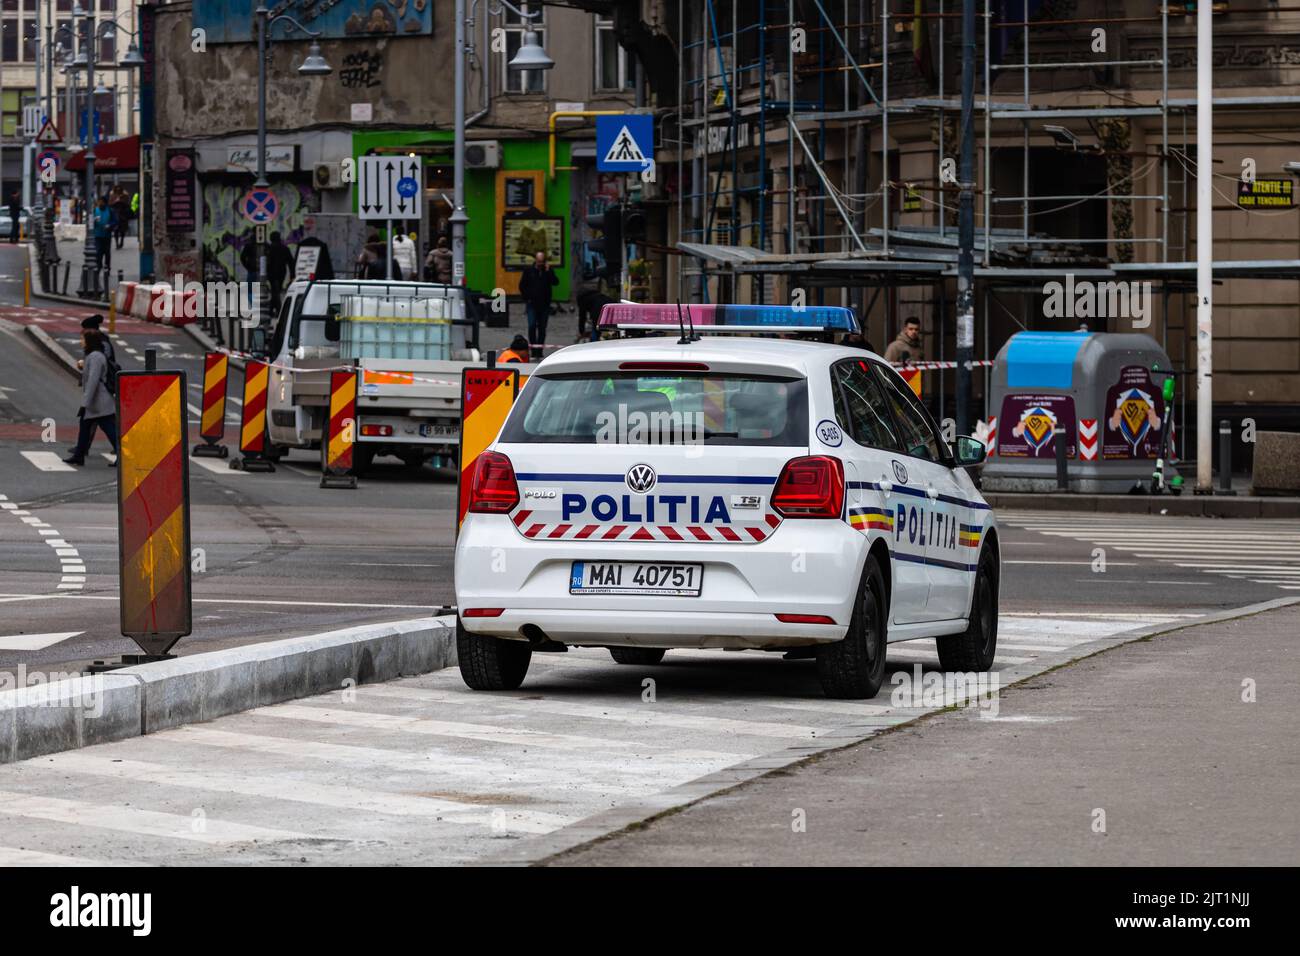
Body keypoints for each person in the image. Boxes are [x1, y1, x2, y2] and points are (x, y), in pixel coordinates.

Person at [64, 330, 118, 466]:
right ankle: (79, 456)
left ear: (89, 341)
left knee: (109, 430)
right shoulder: (93, 356)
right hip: (96, 402)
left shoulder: (95, 357)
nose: (80, 342)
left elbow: (93, 381)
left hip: (99, 402)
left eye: (82, 339)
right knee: (84, 427)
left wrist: (85, 403)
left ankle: (123, 455)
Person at [518, 250, 558, 347]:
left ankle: (539, 349)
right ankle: (533, 347)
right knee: (532, 326)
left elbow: (555, 282)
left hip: (544, 304)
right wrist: (527, 298)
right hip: (532, 303)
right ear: (536, 260)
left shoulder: (548, 271)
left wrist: (548, 272)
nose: (540, 264)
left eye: (542, 261)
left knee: (542, 327)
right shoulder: (529, 271)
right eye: (539, 261)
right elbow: (522, 285)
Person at [265, 231, 294, 310]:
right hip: (281, 273)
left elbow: (265, 262)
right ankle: (275, 309)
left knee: (275, 291)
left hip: (271, 274)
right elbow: (291, 262)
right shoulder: (284, 248)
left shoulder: (269, 249)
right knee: (277, 291)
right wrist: (292, 274)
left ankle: (275, 309)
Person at [91, 196, 114, 270]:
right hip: (98, 235)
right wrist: (94, 220)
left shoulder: (110, 210)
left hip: (107, 235)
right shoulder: (95, 210)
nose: (100, 203)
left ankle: (107, 267)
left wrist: (110, 225)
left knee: (107, 252)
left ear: (105, 203)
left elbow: (115, 221)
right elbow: (90, 223)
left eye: (102, 202)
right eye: (99, 202)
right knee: (98, 252)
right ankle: (99, 265)